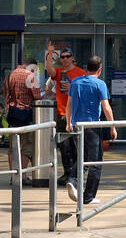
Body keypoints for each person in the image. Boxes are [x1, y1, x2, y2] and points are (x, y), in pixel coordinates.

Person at [64, 55, 116, 207]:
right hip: (92, 126)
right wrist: (112, 126)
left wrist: (68, 123)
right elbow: (106, 107)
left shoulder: (75, 82)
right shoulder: (100, 84)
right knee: (95, 162)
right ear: (100, 69)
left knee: (82, 157)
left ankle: (72, 180)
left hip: (76, 125)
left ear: (86, 68)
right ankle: (88, 196)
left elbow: (69, 105)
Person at [50, 49, 86, 186]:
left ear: (72, 58)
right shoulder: (59, 72)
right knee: (64, 146)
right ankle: (67, 172)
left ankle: (77, 174)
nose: (65, 59)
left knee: (76, 145)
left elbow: (84, 91)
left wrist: (72, 87)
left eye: (67, 56)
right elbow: (50, 70)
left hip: (76, 114)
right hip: (62, 113)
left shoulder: (81, 73)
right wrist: (49, 56)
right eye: (62, 57)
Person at [5, 55, 42, 182]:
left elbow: (6, 95)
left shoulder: (10, 75)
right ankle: (23, 176)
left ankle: (13, 175)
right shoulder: (30, 76)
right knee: (27, 145)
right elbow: (37, 96)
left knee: (13, 146)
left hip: (12, 113)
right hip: (25, 114)